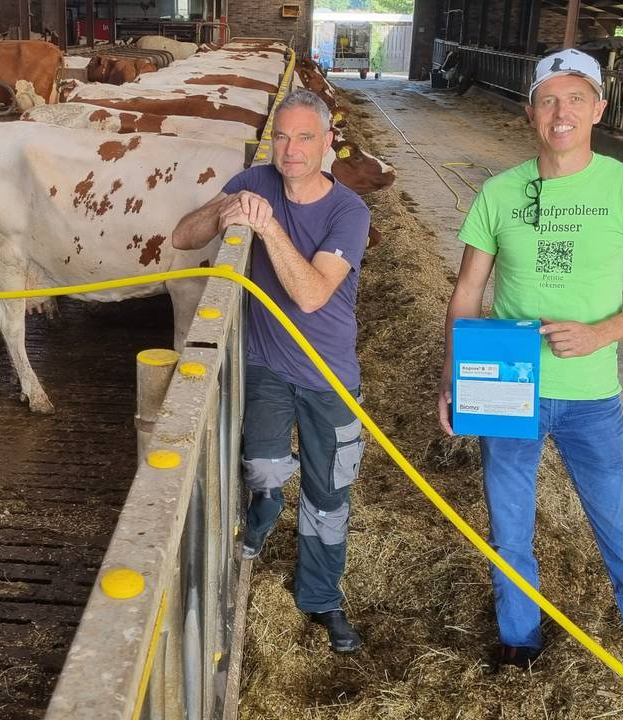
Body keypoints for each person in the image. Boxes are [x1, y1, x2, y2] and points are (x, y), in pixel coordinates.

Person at [437, 49, 623, 712]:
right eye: (548, 99)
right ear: (530, 112)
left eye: (576, 98)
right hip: (506, 389)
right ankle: (519, 642)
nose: (562, 112)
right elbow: (467, 292)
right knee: (509, 531)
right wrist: (452, 380)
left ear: (598, 109)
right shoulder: (499, 192)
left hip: (590, 399)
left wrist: (600, 333)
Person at [172, 88, 371, 653]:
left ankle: (321, 598)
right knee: (261, 466)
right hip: (265, 364)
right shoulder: (253, 180)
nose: (290, 150)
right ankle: (263, 510)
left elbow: (310, 295)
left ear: (329, 141)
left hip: (329, 375)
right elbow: (184, 237)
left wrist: (268, 228)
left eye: (305, 137)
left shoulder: (348, 212)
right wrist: (224, 210)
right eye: (282, 136)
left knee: (329, 495)